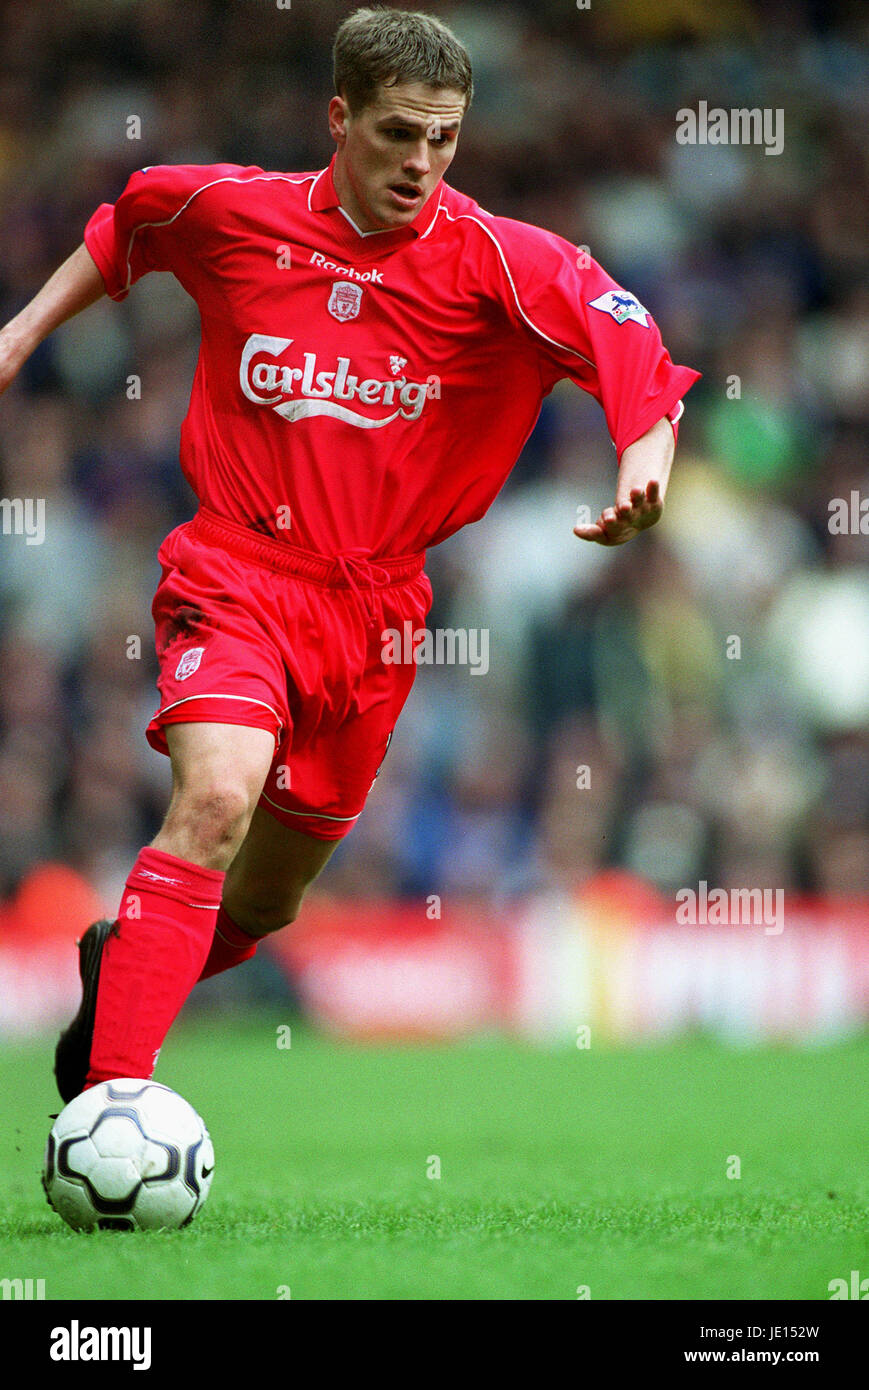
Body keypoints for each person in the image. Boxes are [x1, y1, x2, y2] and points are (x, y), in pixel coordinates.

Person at [0, 6, 699, 1102]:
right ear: (338, 118)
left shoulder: (503, 265)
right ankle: (110, 1103)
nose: (421, 163)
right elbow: (122, 228)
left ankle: (122, 961)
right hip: (233, 574)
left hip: (375, 615)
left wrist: (639, 463)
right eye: (396, 133)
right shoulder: (232, 211)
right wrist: (21, 331)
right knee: (217, 803)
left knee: (267, 904)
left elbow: (634, 351)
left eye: (443, 138)